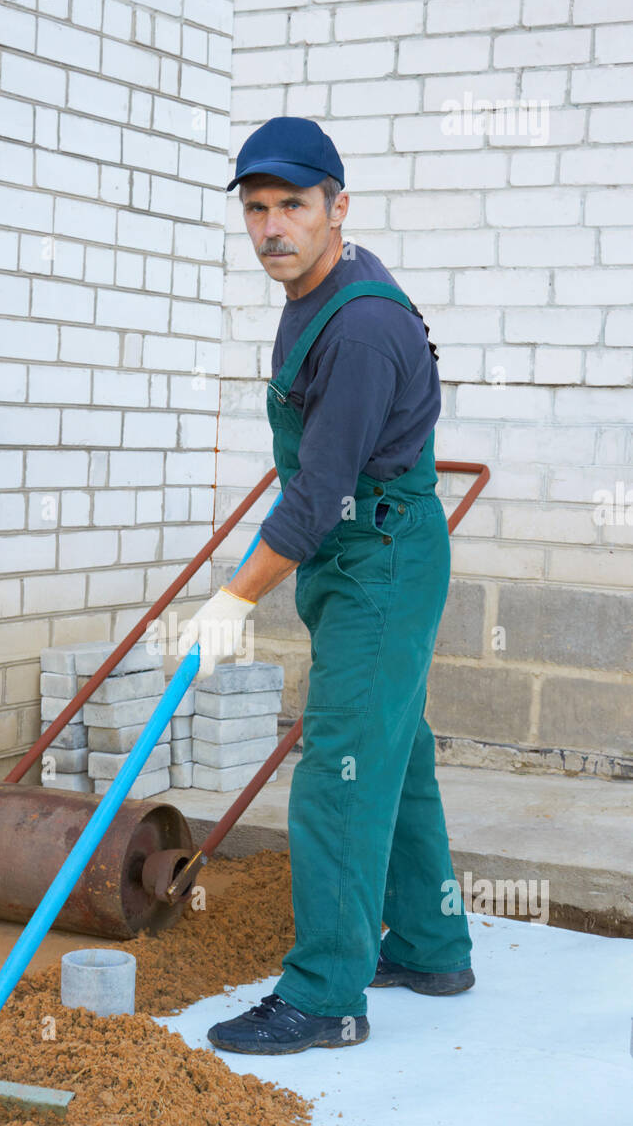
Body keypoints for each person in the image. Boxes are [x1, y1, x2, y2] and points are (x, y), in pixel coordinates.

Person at [181, 117, 474, 1056]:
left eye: (293, 207)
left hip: (378, 557)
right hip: (365, 548)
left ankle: (325, 997)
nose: (272, 228)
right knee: (398, 746)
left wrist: (232, 601)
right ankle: (431, 946)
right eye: (258, 210)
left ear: (337, 208)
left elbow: (318, 495)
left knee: (340, 765)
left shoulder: (364, 325)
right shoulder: (315, 285)